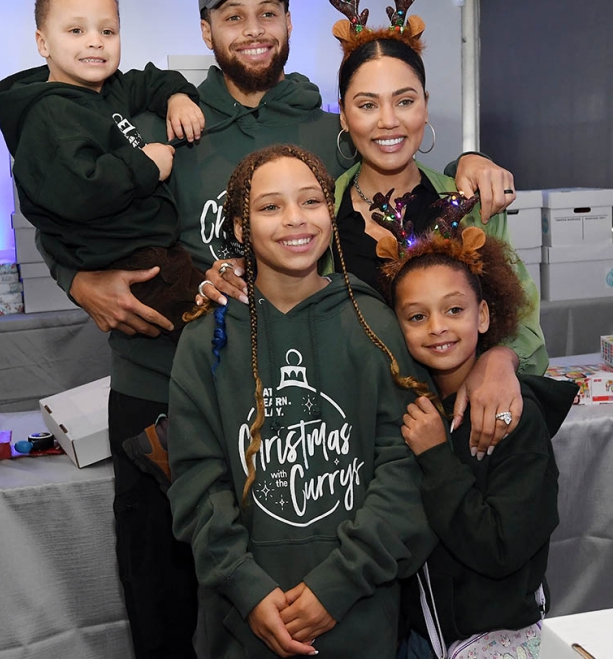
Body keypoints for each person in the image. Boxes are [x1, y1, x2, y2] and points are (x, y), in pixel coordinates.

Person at [39, 0, 517, 657]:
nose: (253, 29)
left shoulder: (325, 128)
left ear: (291, 22)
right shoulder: (167, 119)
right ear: (206, 30)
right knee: (169, 596)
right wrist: (75, 277)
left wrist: (468, 163)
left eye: (268, 13)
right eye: (233, 16)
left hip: (310, 383)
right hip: (162, 381)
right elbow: (66, 191)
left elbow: (396, 154)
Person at [203, 0, 548, 459]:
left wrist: (500, 359)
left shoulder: (472, 205)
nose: (388, 121)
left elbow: (526, 328)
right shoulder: (320, 219)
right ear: (343, 114)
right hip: (352, 448)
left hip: (466, 440)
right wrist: (235, 272)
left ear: (425, 106)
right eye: (367, 105)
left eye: (404, 101)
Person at [167, 144, 436, 659]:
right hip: (244, 624)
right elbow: (197, 481)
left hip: (360, 614)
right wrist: (247, 587)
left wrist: (339, 583)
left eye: (311, 201)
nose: (295, 219)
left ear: (330, 213)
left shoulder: (373, 324)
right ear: (240, 228)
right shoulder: (206, 340)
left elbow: (404, 466)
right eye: (270, 206)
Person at [374, 222, 575, 657]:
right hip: (420, 636)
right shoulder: (413, 410)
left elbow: (501, 547)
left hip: (491, 639)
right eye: (417, 316)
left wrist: (436, 456)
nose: (437, 327)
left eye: (454, 310)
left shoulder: (515, 418)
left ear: (482, 315)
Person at [0, 0, 206, 340]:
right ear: (43, 43)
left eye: (107, 30)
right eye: (76, 30)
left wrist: (177, 96)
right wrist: (146, 164)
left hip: (149, 244)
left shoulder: (111, 89)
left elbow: (152, 80)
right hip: (120, 257)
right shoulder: (49, 115)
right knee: (211, 325)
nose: (95, 41)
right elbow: (81, 189)